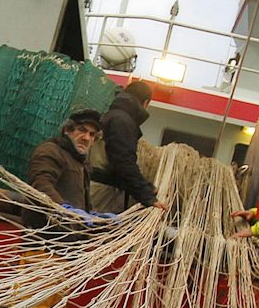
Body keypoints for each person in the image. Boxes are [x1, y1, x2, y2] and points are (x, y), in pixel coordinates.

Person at [94, 79, 163, 210]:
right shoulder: (122, 122)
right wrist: (147, 194)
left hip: (92, 187)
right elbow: (123, 161)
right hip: (99, 194)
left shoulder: (112, 115)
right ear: (146, 103)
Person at [27, 109, 101, 207]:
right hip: (46, 216)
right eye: (82, 130)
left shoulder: (82, 164)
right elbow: (40, 184)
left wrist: (91, 213)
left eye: (92, 134)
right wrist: (62, 207)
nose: (86, 138)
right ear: (67, 130)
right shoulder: (50, 151)